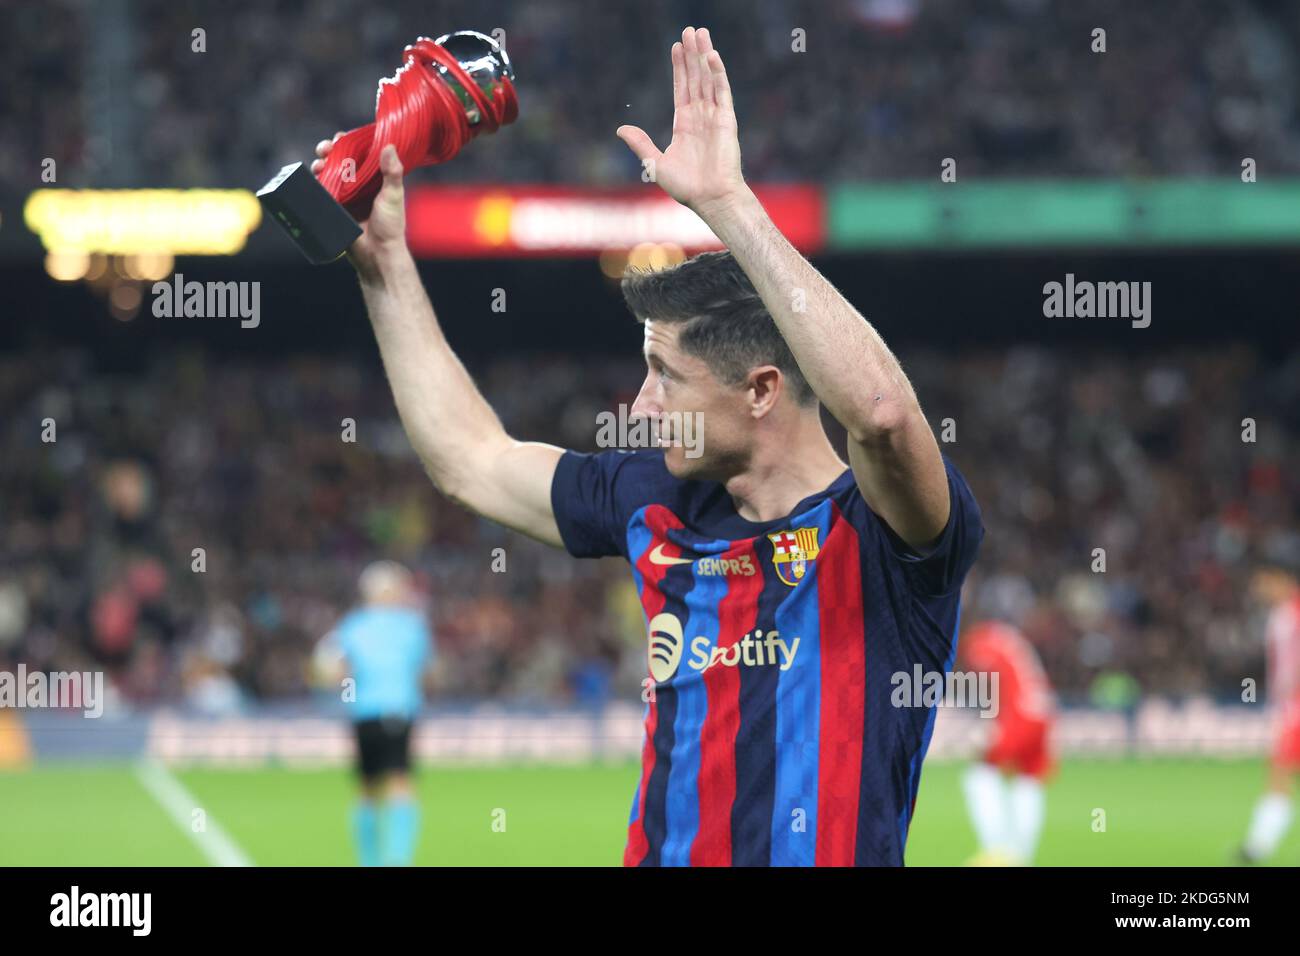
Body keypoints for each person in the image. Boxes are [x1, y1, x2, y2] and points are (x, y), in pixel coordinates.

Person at [315, 26, 982, 866]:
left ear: (762, 390)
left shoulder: (890, 537)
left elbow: (883, 413)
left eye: (666, 376)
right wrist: (384, 266)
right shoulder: (653, 498)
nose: (638, 406)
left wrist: (731, 207)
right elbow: (469, 459)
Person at [314, 561, 433, 866]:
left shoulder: (352, 625)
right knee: (400, 783)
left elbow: (335, 669)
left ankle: (369, 860)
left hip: (363, 712)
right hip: (399, 709)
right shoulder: (411, 625)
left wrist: (346, 692)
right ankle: (397, 859)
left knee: (366, 788)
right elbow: (425, 671)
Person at [959, 619, 1056, 865]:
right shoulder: (1008, 636)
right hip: (1042, 711)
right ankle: (1020, 856)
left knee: (979, 777)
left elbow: (984, 680)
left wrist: (988, 723)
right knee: (1029, 782)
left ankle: (996, 853)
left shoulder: (980, 641)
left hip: (1019, 714)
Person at [1238, 565, 1300, 863]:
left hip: (1295, 706)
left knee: (1280, 771)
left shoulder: (1292, 614)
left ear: (1282, 579)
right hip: (1288, 706)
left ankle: (1258, 845)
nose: (1260, 590)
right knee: (1281, 771)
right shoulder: (1280, 615)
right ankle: (1258, 844)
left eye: (1264, 582)